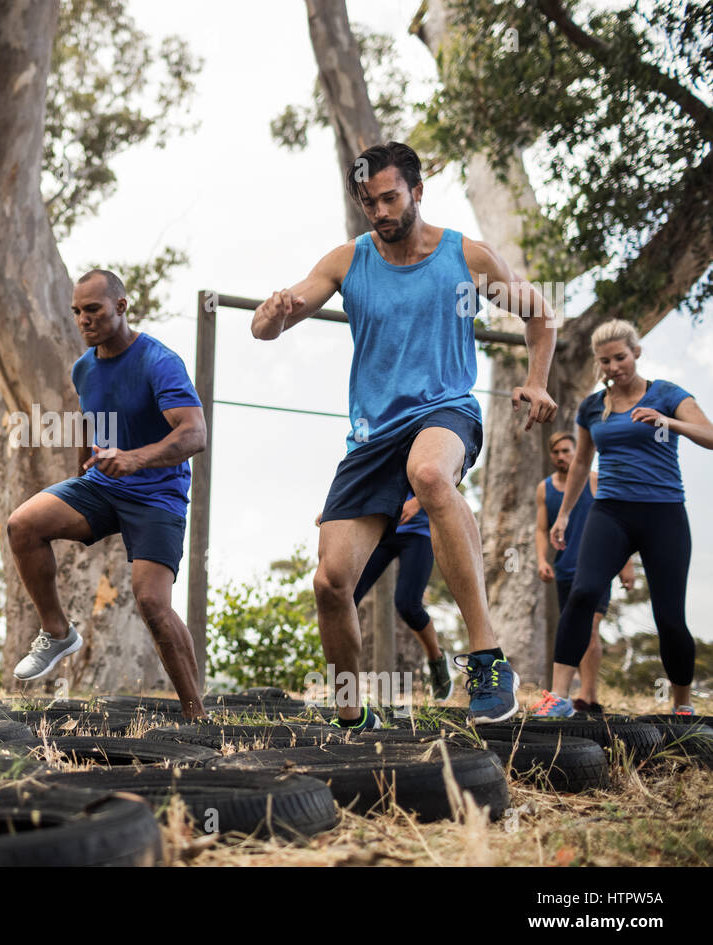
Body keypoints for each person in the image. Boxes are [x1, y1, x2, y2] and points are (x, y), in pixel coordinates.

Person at [253, 141, 557, 729]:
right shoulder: (347, 262)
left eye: (390, 198)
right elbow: (274, 323)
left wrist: (537, 381)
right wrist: (271, 315)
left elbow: (539, 312)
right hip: (371, 438)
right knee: (330, 582)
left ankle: (487, 660)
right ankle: (350, 715)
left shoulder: (466, 257)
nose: (380, 212)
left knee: (430, 475)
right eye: (369, 203)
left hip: (444, 411)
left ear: (417, 191)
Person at [5, 269, 208, 719]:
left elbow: (195, 434)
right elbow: (88, 417)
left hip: (158, 495)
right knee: (23, 525)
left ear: (120, 306)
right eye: (77, 311)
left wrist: (135, 458)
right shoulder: (84, 367)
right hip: (102, 485)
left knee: (153, 603)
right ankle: (58, 632)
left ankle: (198, 717)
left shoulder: (160, 361)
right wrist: (82, 465)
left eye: (93, 309)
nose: (83, 320)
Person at [542, 319, 712, 717]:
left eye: (620, 357)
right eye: (605, 361)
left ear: (636, 353)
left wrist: (670, 422)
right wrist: (564, 515)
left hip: (663, 513)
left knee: (669, 617)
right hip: (611, 512)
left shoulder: (667, 394)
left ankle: (682, 706)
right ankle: (558, 698)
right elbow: (582, 462)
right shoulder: (591, 407)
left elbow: (708, 433)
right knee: (582, 594)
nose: (614, 366)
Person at [534, 431, 635, 714]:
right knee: (571, 629)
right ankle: (564, 697)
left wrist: (625, 564)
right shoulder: (545, 489)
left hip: (598, 567)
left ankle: (588, 698)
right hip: (564, 571)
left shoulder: (595, 481)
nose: (561, 457)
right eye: (556, 452)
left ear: (577, 452)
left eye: (567, 451)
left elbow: (620, 520)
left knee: (590, 629)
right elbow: (542, 529)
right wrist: (542, 559)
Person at [316, 493, 453, 701]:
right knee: (344, 598)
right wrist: (337, 510)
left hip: (418, 533)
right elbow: (364, 478)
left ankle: (436, 659)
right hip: (381, 528)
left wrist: (418, 501)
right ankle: (344, 689)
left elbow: (449, 471)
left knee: (408, 604)